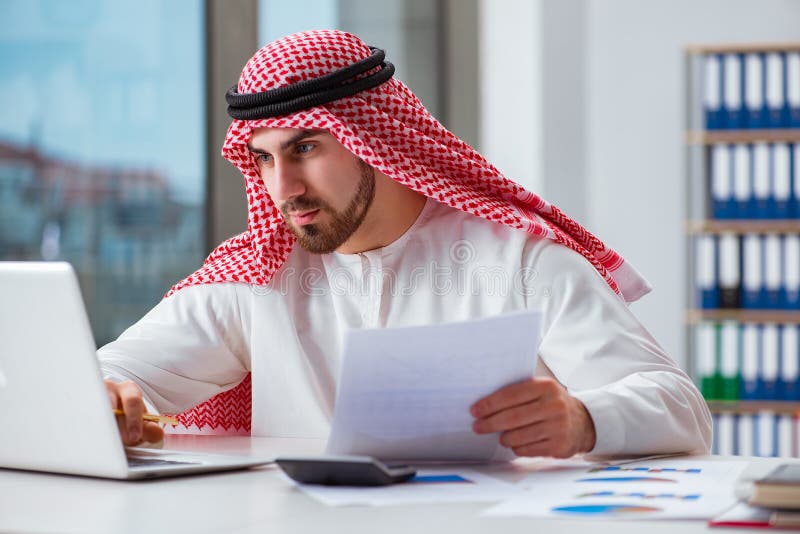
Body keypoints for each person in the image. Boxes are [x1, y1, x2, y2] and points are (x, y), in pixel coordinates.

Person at [99, 29, 712, 458]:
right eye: (263, 159)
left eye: (306, 148)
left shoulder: (519, 261)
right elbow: (109, 375)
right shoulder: (259, 277)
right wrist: (108, 395)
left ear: (372, 139)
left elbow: (679, 406)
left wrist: (583, 421)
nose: (283, 187)